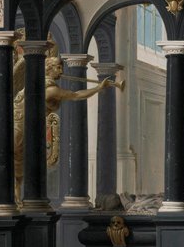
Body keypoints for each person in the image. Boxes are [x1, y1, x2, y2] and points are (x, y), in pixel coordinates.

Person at [14, 56, 115, 204]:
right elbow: (75, 95)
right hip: (21, 130)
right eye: (58, 67)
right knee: (16, 169)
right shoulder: (51, 89)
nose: (61, 70)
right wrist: (99, 87)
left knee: (17, 171)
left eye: (61, 67)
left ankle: (17, 201)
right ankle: (18, 202)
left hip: (22, 128)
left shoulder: (36, 82)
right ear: (49, 68)